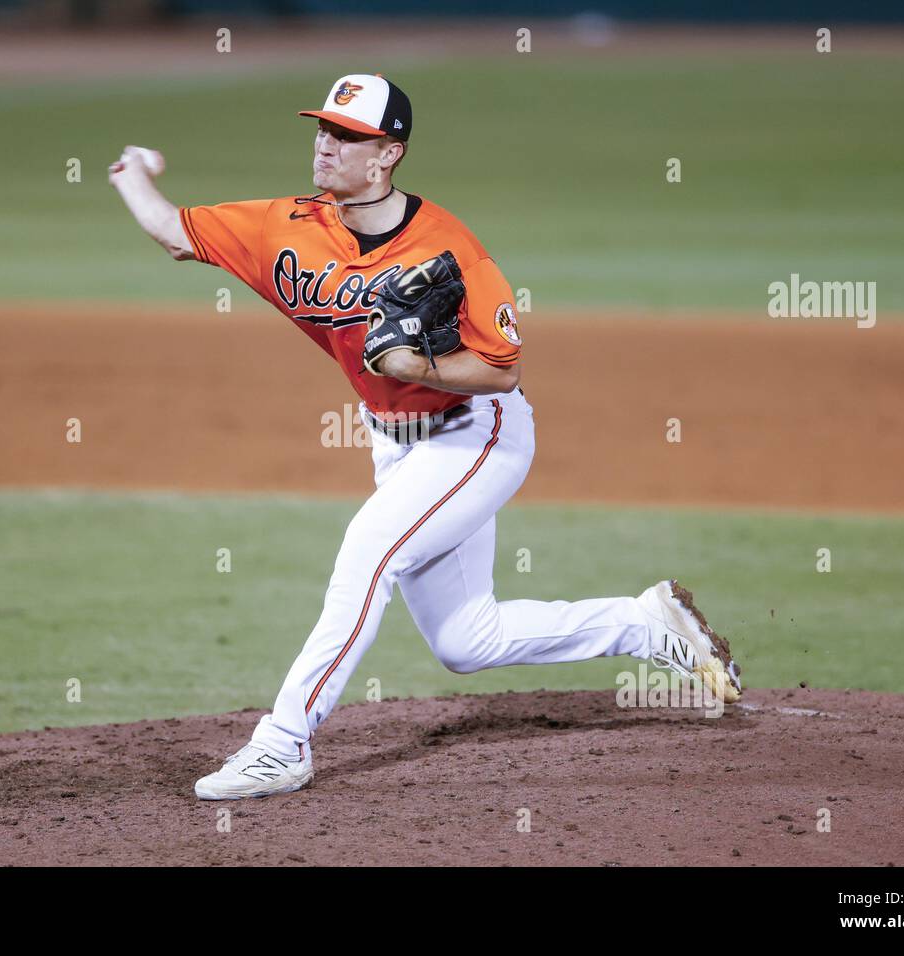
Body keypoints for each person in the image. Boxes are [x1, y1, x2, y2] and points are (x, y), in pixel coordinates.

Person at [108, 73, 743, 801]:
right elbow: (174, 233)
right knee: (467, 642)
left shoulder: (447, 247)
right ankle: (641, 623)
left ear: (387, 154)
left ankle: (283, 744)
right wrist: (130, 173)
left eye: (346, 136)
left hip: (474, 436)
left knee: (365, 559)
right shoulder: (285, 223)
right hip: (395, 443)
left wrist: (418, 363)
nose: (325, 144)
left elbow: (502, 371)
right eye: (323, 128)